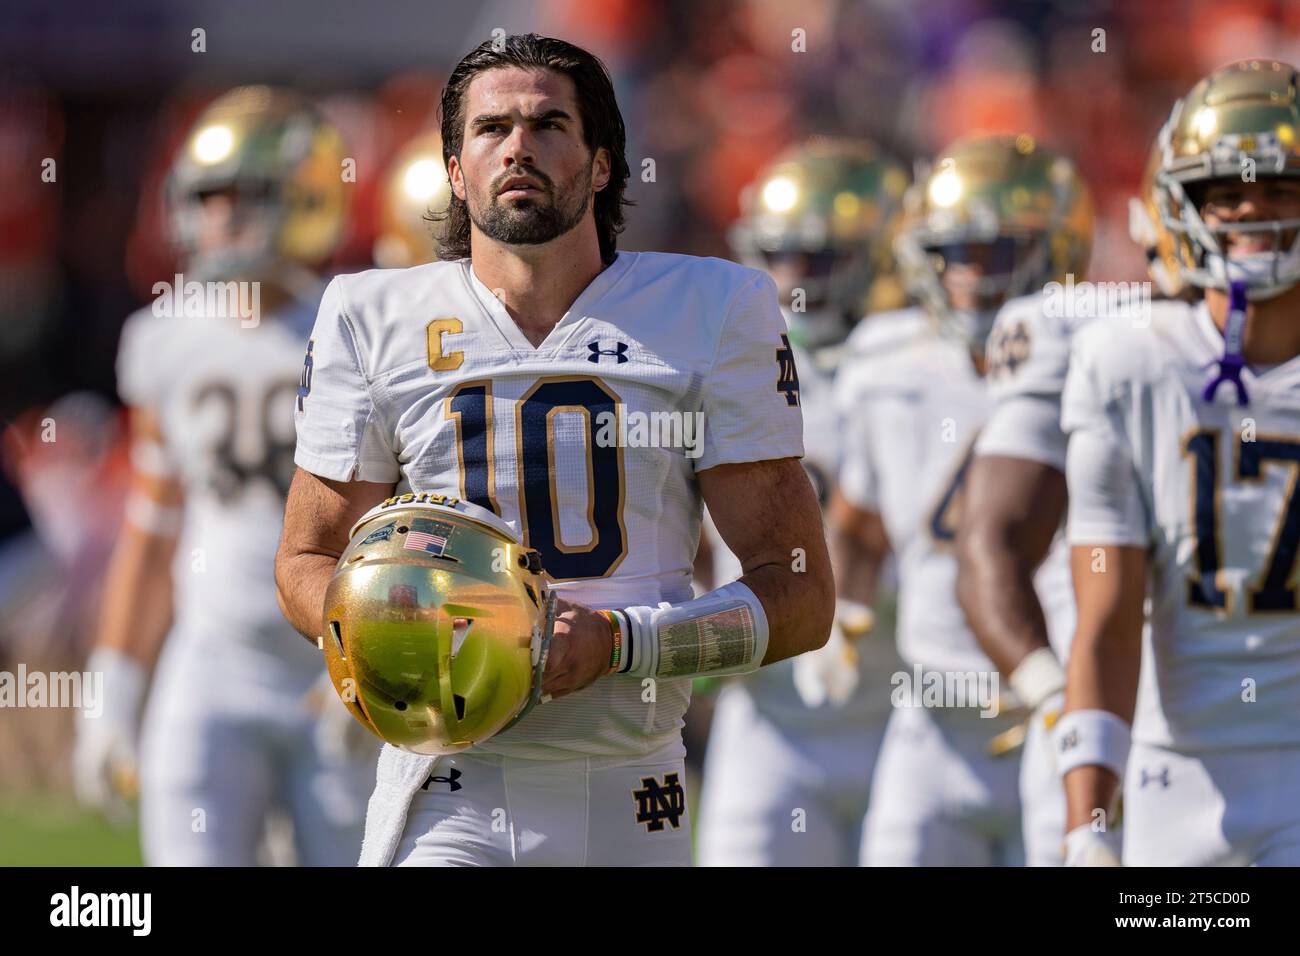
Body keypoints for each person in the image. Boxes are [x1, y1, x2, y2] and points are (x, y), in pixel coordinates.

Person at [275, 33, 832, 867]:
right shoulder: (370, 313)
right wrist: (396, 623)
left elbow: (800, 594)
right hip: (449, 790)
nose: (518, 147)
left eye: (548, 124)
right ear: (456, 173)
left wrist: (621, 641)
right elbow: (305, 559)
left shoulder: (713, 306)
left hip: (633, 791)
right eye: (491, 128)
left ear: (603, 164)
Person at [73, 86, 378, 864]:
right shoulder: (164, 337)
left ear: (305, 200)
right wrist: (114, 690)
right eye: (208, 197)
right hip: (211, 663)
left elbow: (392, 525)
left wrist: (378, 661)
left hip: (331, 668)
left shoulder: (352, 327)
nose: (221, 218)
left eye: (246, 195)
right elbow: (152, 530)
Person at [1059, 58, 1300, 866]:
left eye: (1279, 189)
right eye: (1223, 192)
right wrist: (1087, 824)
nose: (1249, 211)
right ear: (1180, 204)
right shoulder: (1129, 360)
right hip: (1173, 778)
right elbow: (1108, 614)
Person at [832, 133, 1091, 865]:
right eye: (955, 252)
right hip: (931, 718)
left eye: (999, 249)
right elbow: (860, 519)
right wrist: (846, 610)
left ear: (1061, 249)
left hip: (1053, 710)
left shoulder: (1097, 357)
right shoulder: (889, 363)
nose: (973, 274)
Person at [696, 138, 907, 866]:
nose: (793, 279)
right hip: (768, 719)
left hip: (903, 712)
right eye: (779, 255)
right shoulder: (725, 364)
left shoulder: (912, 371)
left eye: (820, 259)